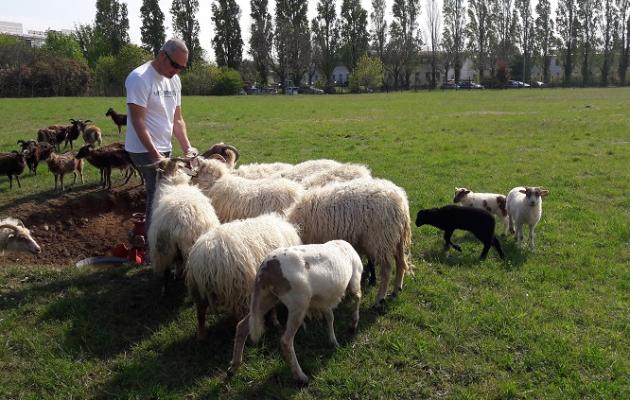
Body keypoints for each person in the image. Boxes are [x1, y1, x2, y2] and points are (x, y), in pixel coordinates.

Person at [125, 38, 197, 238]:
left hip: (163, 147)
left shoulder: (174, 80)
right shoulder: (139, 78)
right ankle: (152, 248)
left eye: (182, 67)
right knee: (158, 194)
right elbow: (138, 121)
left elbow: (178, 120)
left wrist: (188, 150)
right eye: (175, 65)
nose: (177, 70)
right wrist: (156, 155)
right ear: (162, 55)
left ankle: (153, 236)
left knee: (165, 191)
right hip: (142, 148)